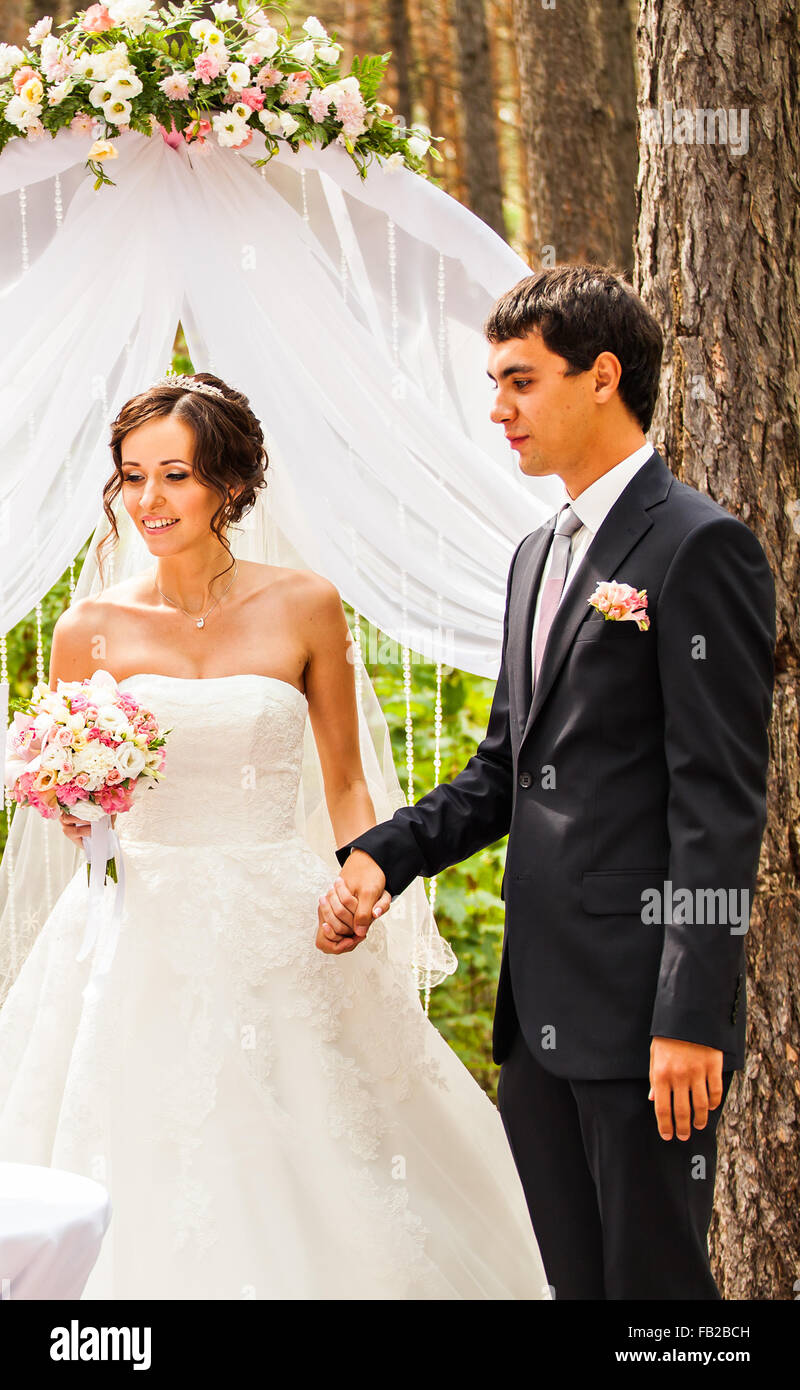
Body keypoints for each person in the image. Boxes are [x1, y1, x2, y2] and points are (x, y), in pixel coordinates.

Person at [0, 372, 549, 1300]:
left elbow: (344, 781)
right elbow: (66, 805)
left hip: (279, 921)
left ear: (228, 483)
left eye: (174, 475)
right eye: (133, 478)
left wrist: (365, 887)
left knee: (321, 1143)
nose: (150, 500)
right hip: (129, 930)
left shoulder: (305, 605)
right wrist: (71, 790)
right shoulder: (88, 628)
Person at [320, 265, 777, 1300]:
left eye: (518, 381)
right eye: (493, 382)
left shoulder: (699, 546)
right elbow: (504, 770)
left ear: (602, 375)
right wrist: (383, 854)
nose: (497, 410)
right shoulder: (535, 556)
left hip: (644, 1021)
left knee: (655, 1294)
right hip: (537, 1018)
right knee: (571, 1285)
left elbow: (717, 803)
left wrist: (687, 1016)